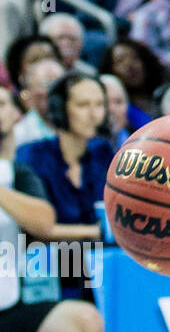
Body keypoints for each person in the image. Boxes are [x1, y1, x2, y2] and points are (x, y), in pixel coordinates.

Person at [0, 84, 103, 332]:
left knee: (84, 322)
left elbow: (43, 224)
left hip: (8, 311)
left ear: (15, 114)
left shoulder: (15, 172)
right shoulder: (37, 156)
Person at [14, 72, 112, 238]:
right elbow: (38, 226)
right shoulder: (32, 155)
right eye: (82, 105)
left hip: (102, 257)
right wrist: (99, 232)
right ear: (59, 109)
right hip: (49, 258)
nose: (94, 114)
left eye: (99, 104)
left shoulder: (104, 153)